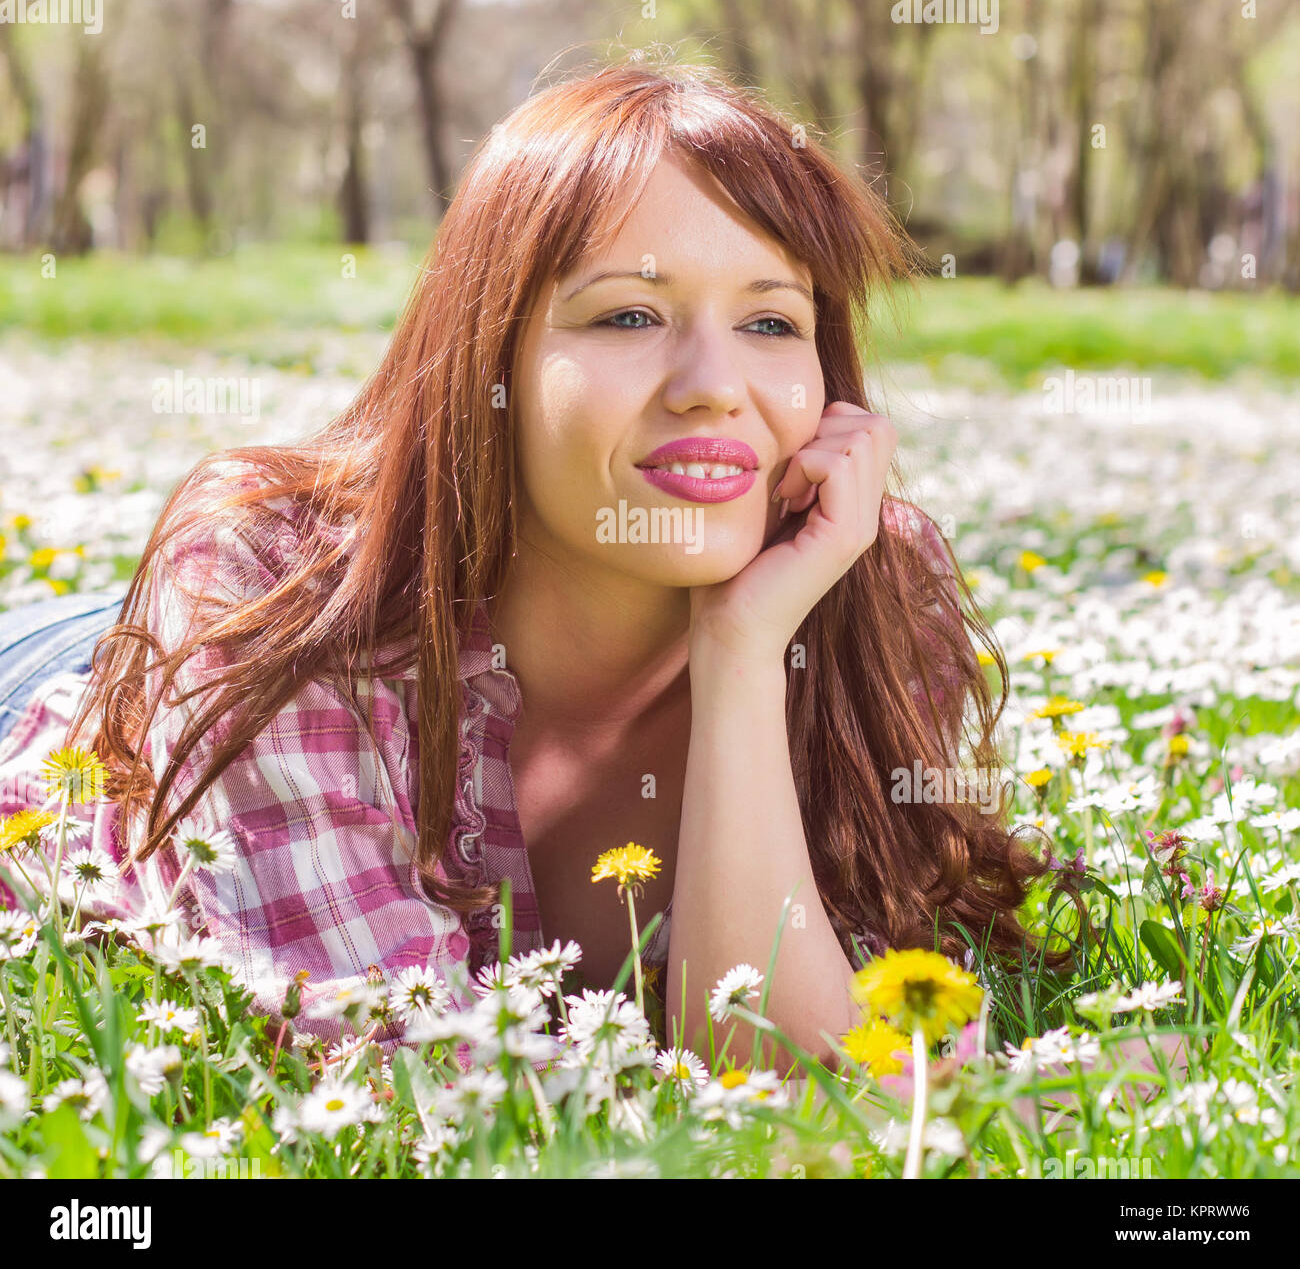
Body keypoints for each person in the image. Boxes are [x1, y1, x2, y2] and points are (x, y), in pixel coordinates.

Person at [0, 56, 1062, 1071]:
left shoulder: (859, 577)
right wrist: (1022, 1096)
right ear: (485, 355)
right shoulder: (262, 584)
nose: (712, 384)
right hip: (101, 677)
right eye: (629, 314)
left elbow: (785, 1067)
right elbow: (410, 1082)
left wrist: (741, 649)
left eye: (771, 320)